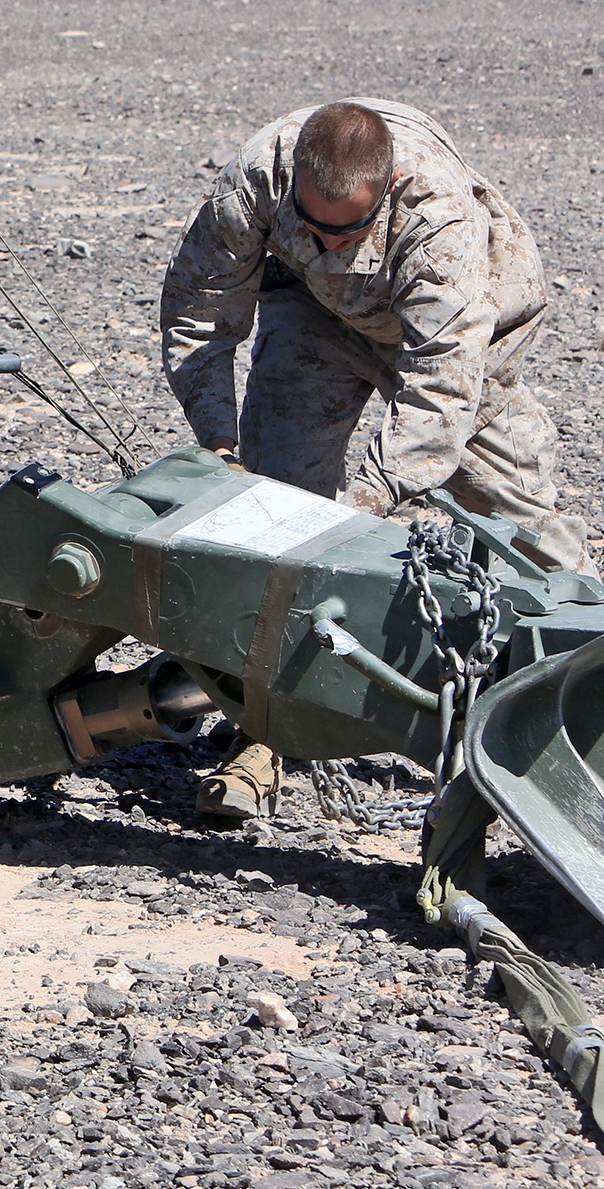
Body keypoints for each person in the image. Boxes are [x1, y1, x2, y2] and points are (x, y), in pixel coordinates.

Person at [161, 98, 590, 821]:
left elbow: (439, 394)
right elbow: (201, 312)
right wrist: (222, 443)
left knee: (521, 519)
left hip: (462, 336)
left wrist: (360, 510)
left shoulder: (438, 222)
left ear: (385, 190)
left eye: (348, 228)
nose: (329, 242)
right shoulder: (254, 182)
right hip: (318, 317)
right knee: (277, 505)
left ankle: (584, 703)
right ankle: (263, 727)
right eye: (314, 225)